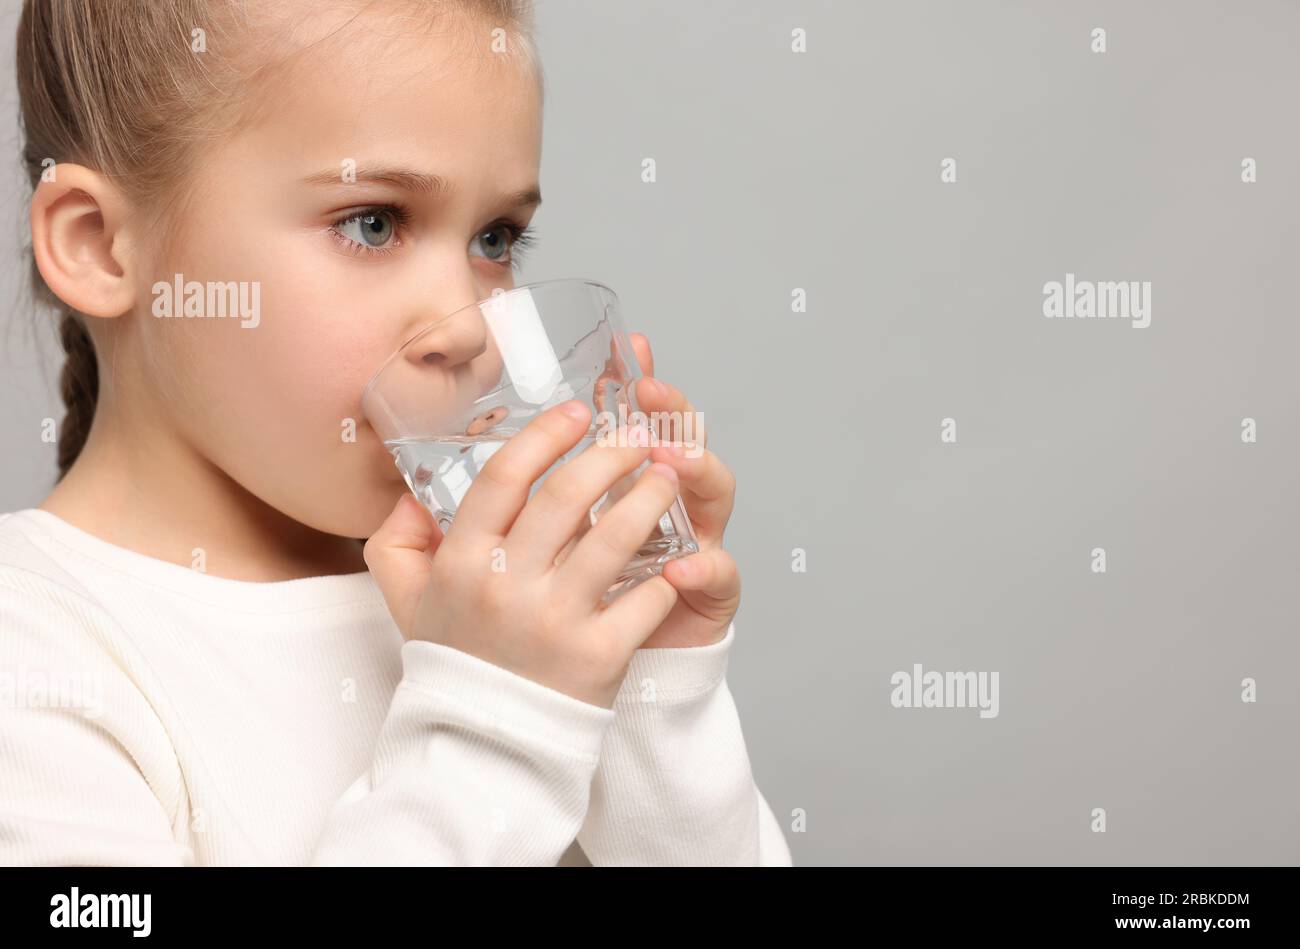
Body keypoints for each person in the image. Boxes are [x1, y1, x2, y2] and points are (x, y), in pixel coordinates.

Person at [0, 0, 791, 865]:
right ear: (99, 245)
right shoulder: (37, 655)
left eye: (496, 239)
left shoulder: (496, 604)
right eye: (371, 223)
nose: (469, 323)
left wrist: (652, 689)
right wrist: (494, 721)